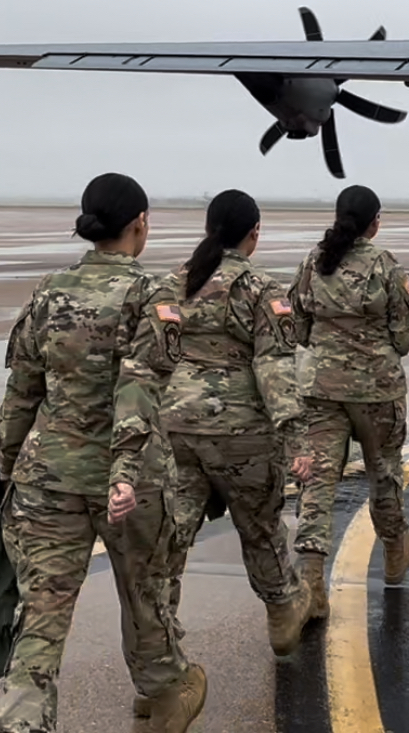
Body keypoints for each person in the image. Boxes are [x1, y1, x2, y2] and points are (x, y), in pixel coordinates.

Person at [0, 173, 204, 733]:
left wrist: (8, 460)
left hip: (49, 477)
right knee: (145, 595)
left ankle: (21, 724)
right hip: (130, 482)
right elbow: (139, 383)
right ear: (139, 225)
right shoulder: (150, 295)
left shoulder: (50, 290)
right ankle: (162, 694)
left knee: (40, 618)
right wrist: (124, 473)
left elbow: (23, 388)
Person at [160, 190, 315, 657]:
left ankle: (159, 647)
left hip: (177, 430)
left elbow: (146, 361)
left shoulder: (172, 284)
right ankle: (283, 611)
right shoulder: (261, 290)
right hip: (241, 436)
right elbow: (275, 370)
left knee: (169, 541)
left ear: (209, 229)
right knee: (261, 530)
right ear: (254, 234)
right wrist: (296, 444)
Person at [290, 185, 409, 613]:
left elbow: (300, 325)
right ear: (374, 222)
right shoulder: (385, 266)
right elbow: (404, 336)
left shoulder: (313, 261)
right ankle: (394, 551)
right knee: (383, 473)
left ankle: (310, 583)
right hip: (376, 391)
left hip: (321, 389)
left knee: (318, 482)